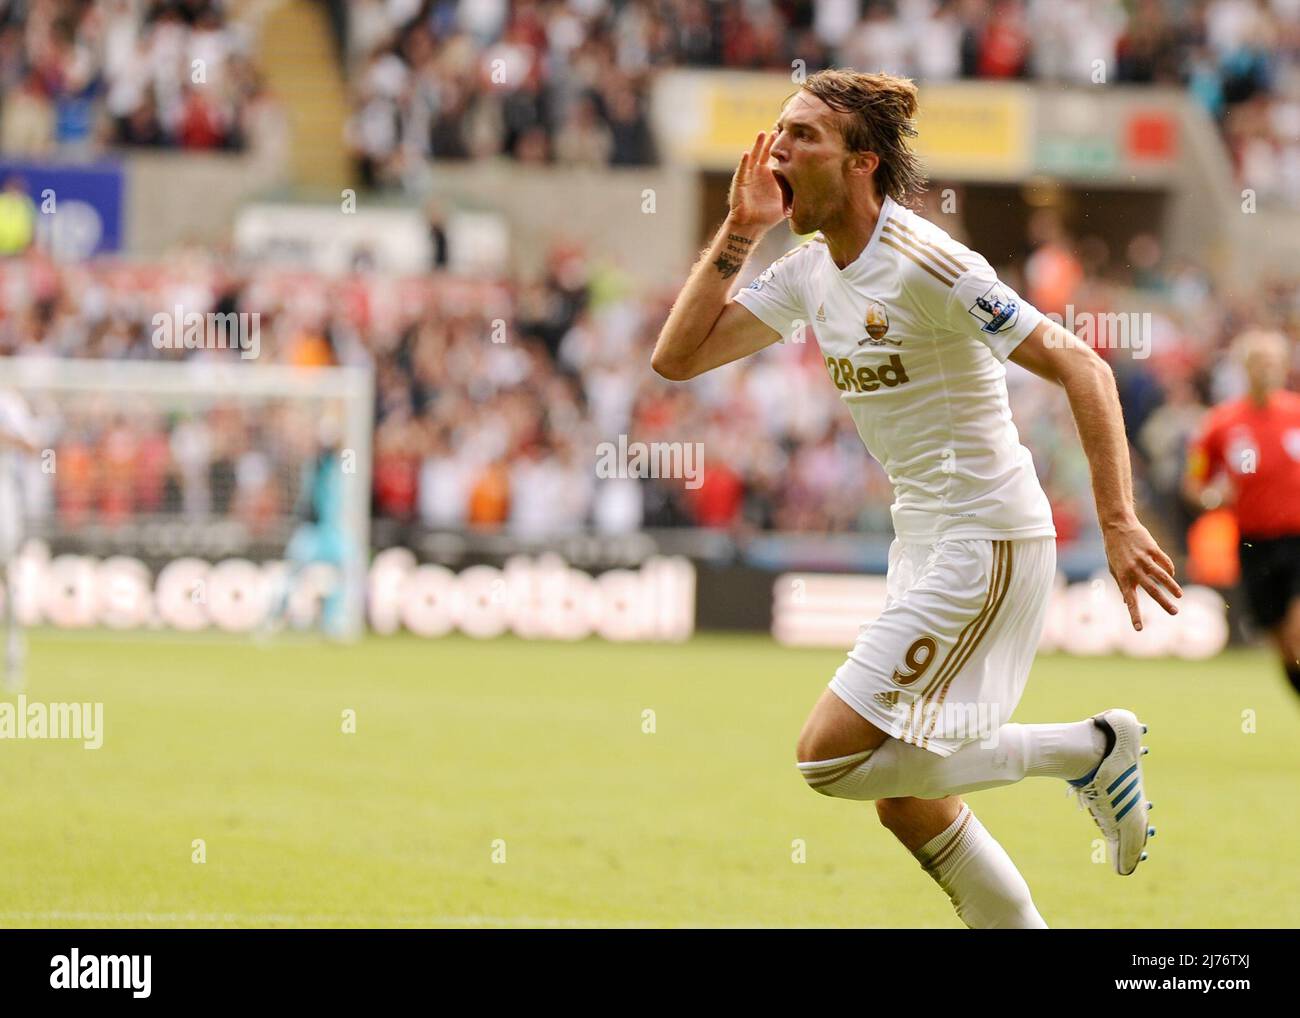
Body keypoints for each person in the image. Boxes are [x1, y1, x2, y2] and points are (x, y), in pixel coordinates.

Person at [650, 69, 1181, 928]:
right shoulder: (809, 271)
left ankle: (1088, 749)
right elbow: (677, 359)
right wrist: (741, 229)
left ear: (861, 162)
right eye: (778, 130)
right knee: (906, 798)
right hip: (926, 543)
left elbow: (1082, 364)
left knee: (827, 759)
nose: (778, 148)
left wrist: (1118, 520)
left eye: (803, 135)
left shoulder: (928, 262)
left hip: (987, 538)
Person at [1184, 330, 1300, 697]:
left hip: (1297, 538)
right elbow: (1194, 482)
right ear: (1245, 368)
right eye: (1258, 362)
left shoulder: (1296, 413)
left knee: (1297, 628)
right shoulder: (1222, 423)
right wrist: (1213, 498)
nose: (1266, 369)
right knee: (1280, 638)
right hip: (1254, 542)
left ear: (1284, 366)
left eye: (1272, 362)